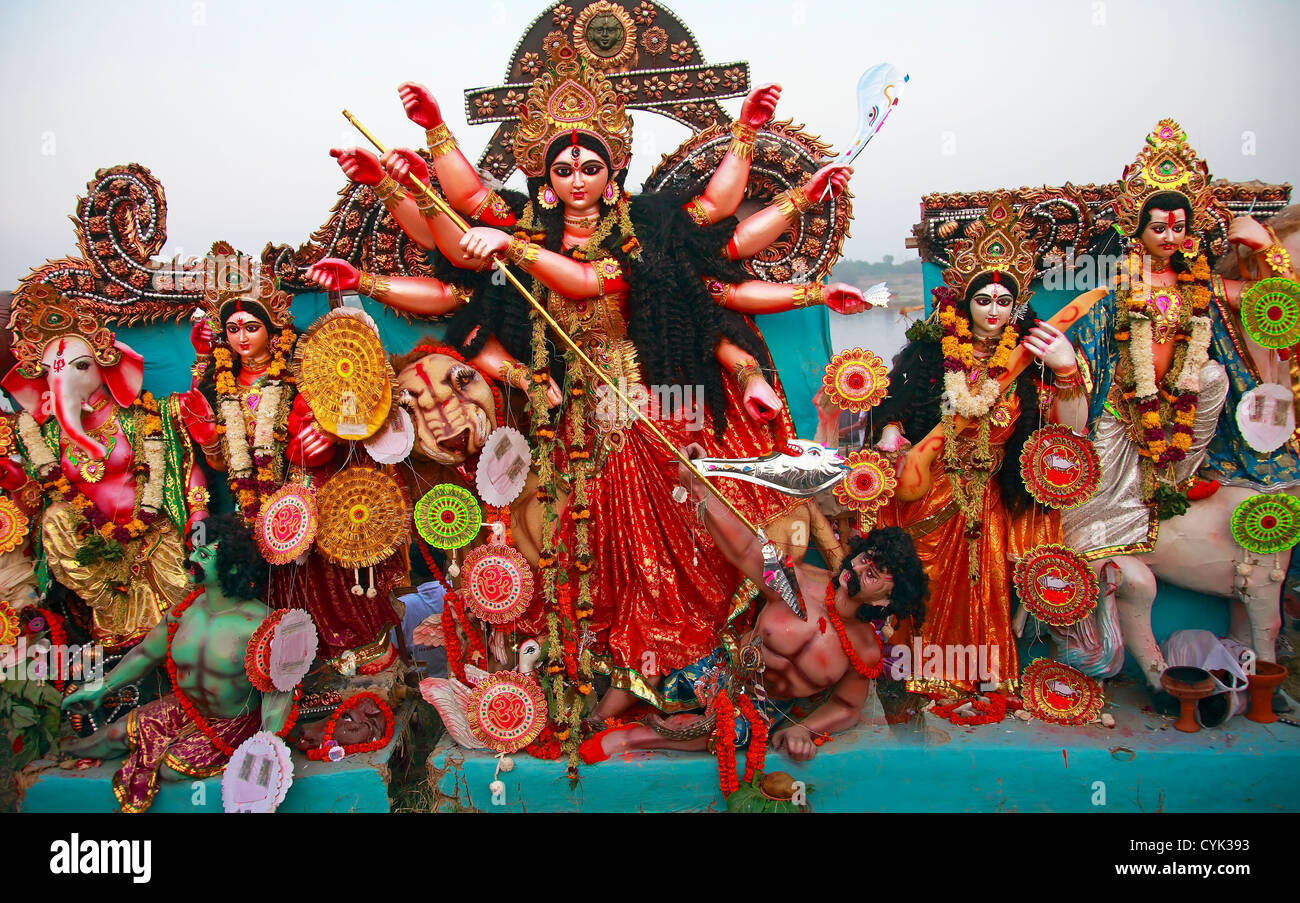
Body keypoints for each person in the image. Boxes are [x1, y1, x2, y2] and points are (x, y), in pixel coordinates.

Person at [310, 39, 858, 733]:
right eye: (563, 166)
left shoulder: (643, 231)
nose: (576, 177)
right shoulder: (525, 223)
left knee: (693, 537)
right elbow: (463, 219)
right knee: (587, 550)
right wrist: (430, 134)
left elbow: (713, 218)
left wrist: (747, 131)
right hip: (573, 415)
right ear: (545, 174)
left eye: (591, 165)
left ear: (615, 171)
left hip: (653, 402)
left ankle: (698, 669)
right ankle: (610, 672)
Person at [580, 445, 926, 763]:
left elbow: (848, 706)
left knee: (731, 733)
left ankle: (634, 739)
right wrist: (701, 489)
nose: (865, 567)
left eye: (879, 572)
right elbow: (745, 549)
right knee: (656, 651)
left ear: (886, 598)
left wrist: (803, 729)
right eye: (869, 558)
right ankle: (596, 717)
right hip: (720, 669)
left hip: (763, 708)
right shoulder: (800, 582)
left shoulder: (864, 649)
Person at [870, 193, 1088, 697]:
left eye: (1004, 301)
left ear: (1017, 306)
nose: (994, 310)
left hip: (988, 495)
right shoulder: (932, 351)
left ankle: (978, 676)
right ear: (965, 302)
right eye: (984, 299)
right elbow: (892, 405)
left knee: (983, 583)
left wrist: (1065, 367)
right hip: (930, 489)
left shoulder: (1031, 362)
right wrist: (889, 433)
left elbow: (1069, 429)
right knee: (921, 576)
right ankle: (911, 672)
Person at [61, 514, 297, 813]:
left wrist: (265, 747)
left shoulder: (263, 624)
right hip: (185, 708)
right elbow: (145, 655)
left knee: (171, 769)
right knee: (113, 734)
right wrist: (99, 689)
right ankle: (64, 751)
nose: (191, 559)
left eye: (204, 554)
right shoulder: (184, 611)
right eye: (193, 550)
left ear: (234, 565)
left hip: (231, 724)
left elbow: (279, 694)